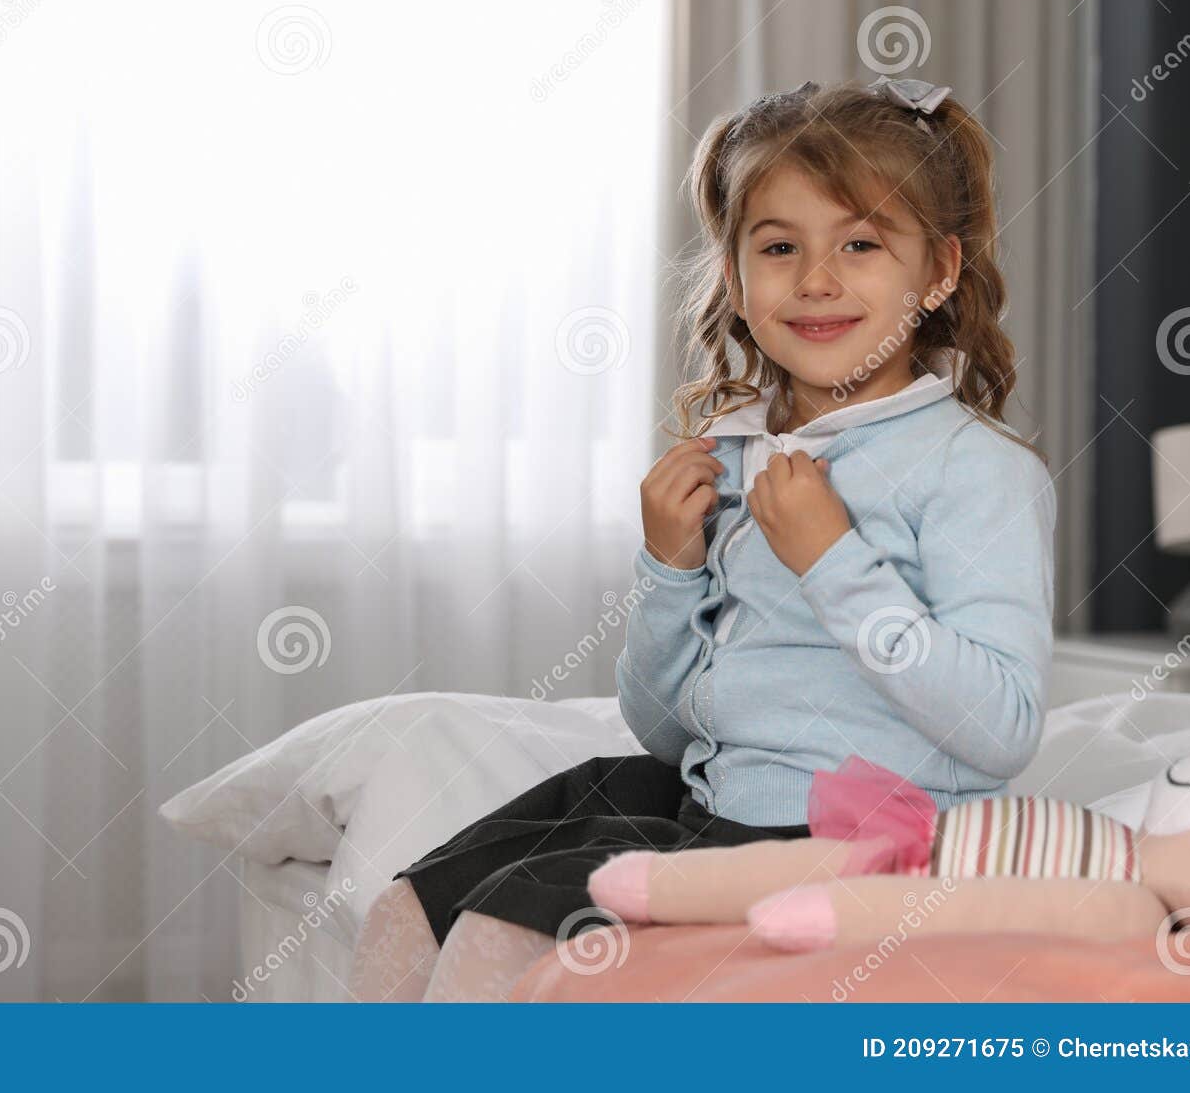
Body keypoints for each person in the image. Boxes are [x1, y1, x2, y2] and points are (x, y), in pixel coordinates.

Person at [347, 76, 1057, 1002]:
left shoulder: (976, 469)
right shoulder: (734, 453)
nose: (816, 279)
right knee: (409, 912)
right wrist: (668, 568)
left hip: (856, 841)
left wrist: (834, 560)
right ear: (734, 275)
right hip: (709, 805)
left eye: (862, 243)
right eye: (778, 247)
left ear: (938, 273)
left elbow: (1000, 728)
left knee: (499, 938)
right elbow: (671, 728)